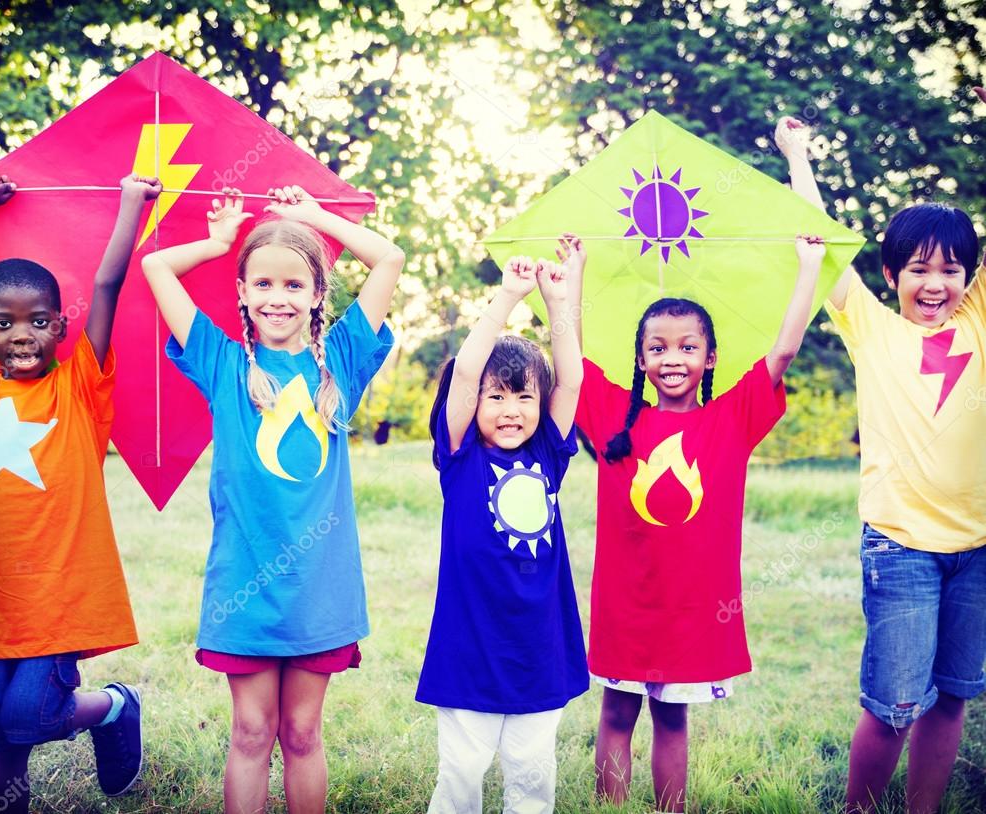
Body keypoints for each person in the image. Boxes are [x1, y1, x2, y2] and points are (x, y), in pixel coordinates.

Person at [141, 183, 404, 813]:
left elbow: (388, 259)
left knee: (304, 733)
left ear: (318, 294)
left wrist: (311, 217)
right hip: (246, 581)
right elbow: (155, 266)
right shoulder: (221, 364)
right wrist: (217, 242)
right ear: (242, 292)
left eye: (293, 285)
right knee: (252, 731)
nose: (277, 298)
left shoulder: (341, 358)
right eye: (262, 284)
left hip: (319, 585)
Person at [566, 220, 825, 811]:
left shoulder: (731, 420)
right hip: (626, 601)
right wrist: (574, 275)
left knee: (673, 718)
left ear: (710, 358)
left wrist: (807, 266)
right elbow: (573, 360)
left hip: (690, 608)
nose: (672, 358)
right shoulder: (614, 418)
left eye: (687, 347)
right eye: (657, 348)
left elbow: (784, 349)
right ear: (640, 357)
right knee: (616, 710)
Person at [782, 97, 986, 814]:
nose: (935, 284)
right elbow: (821, 238)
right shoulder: (867, 324)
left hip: (976, 547)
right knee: (896, 703)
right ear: (893, 272)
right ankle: (858, 809)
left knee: (953, 696)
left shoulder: (978, 318)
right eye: (919, 269)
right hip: (898, 545)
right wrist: (798, 158)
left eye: (951, 270)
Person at [0, 171, 161, 812]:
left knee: (30, 714)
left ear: (58, 328)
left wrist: (131, 202)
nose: (21, 335)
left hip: (61, 596)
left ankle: (111, 708)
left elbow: (107, 284)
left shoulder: (79, 386)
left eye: (39, 321)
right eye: (3, 323)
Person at [416, 251, 588, 814]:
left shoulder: (547, 453)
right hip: (469, 643)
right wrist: (508, 297)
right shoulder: (461, 454)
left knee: (532, 772)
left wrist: (559, 302)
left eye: (523, 396)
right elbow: (466, 371)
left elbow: (571, 379)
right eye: (497, 396)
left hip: (539, 643)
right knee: (462, 771)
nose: (510, 409)